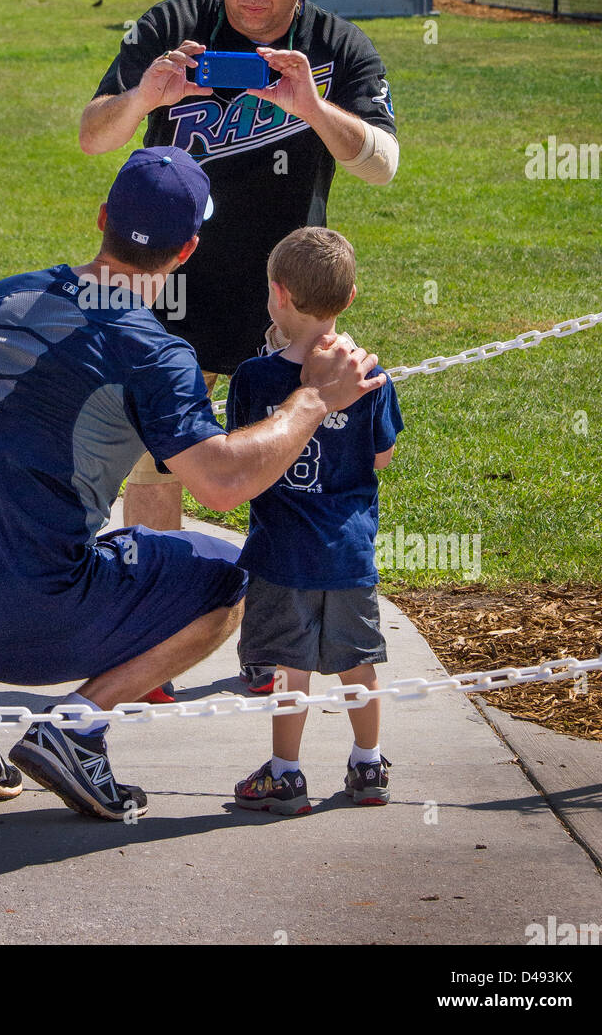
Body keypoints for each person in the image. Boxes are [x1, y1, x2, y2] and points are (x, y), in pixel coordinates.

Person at [0, 148, 387, 822]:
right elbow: (223, 483)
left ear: (101, 219)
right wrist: (315, 399)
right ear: (187, 250)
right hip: (24, 619)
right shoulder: (152, 353)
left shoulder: (4, 298)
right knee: (231, 576)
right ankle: (77, 728)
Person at [80, 0, 399, 534]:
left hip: (286, 290)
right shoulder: (172, 25)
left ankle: (284, 597)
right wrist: (145, 95)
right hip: (168, 277)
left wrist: (311, 105)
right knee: (153, 462)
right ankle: (156, 597)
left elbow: (382, 163)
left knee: (290, 454)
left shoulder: (335, 45)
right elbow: (94, 135)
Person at [227, 227, 403, 815]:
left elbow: (244, 451)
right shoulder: (369, 375)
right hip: (349, 551)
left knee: (289, 668)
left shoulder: (254, 378)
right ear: (349, 297)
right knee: (360, 663)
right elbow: (381, 455)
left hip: (283, 554)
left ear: (278, 295)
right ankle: (368, 764)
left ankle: (285, 774)